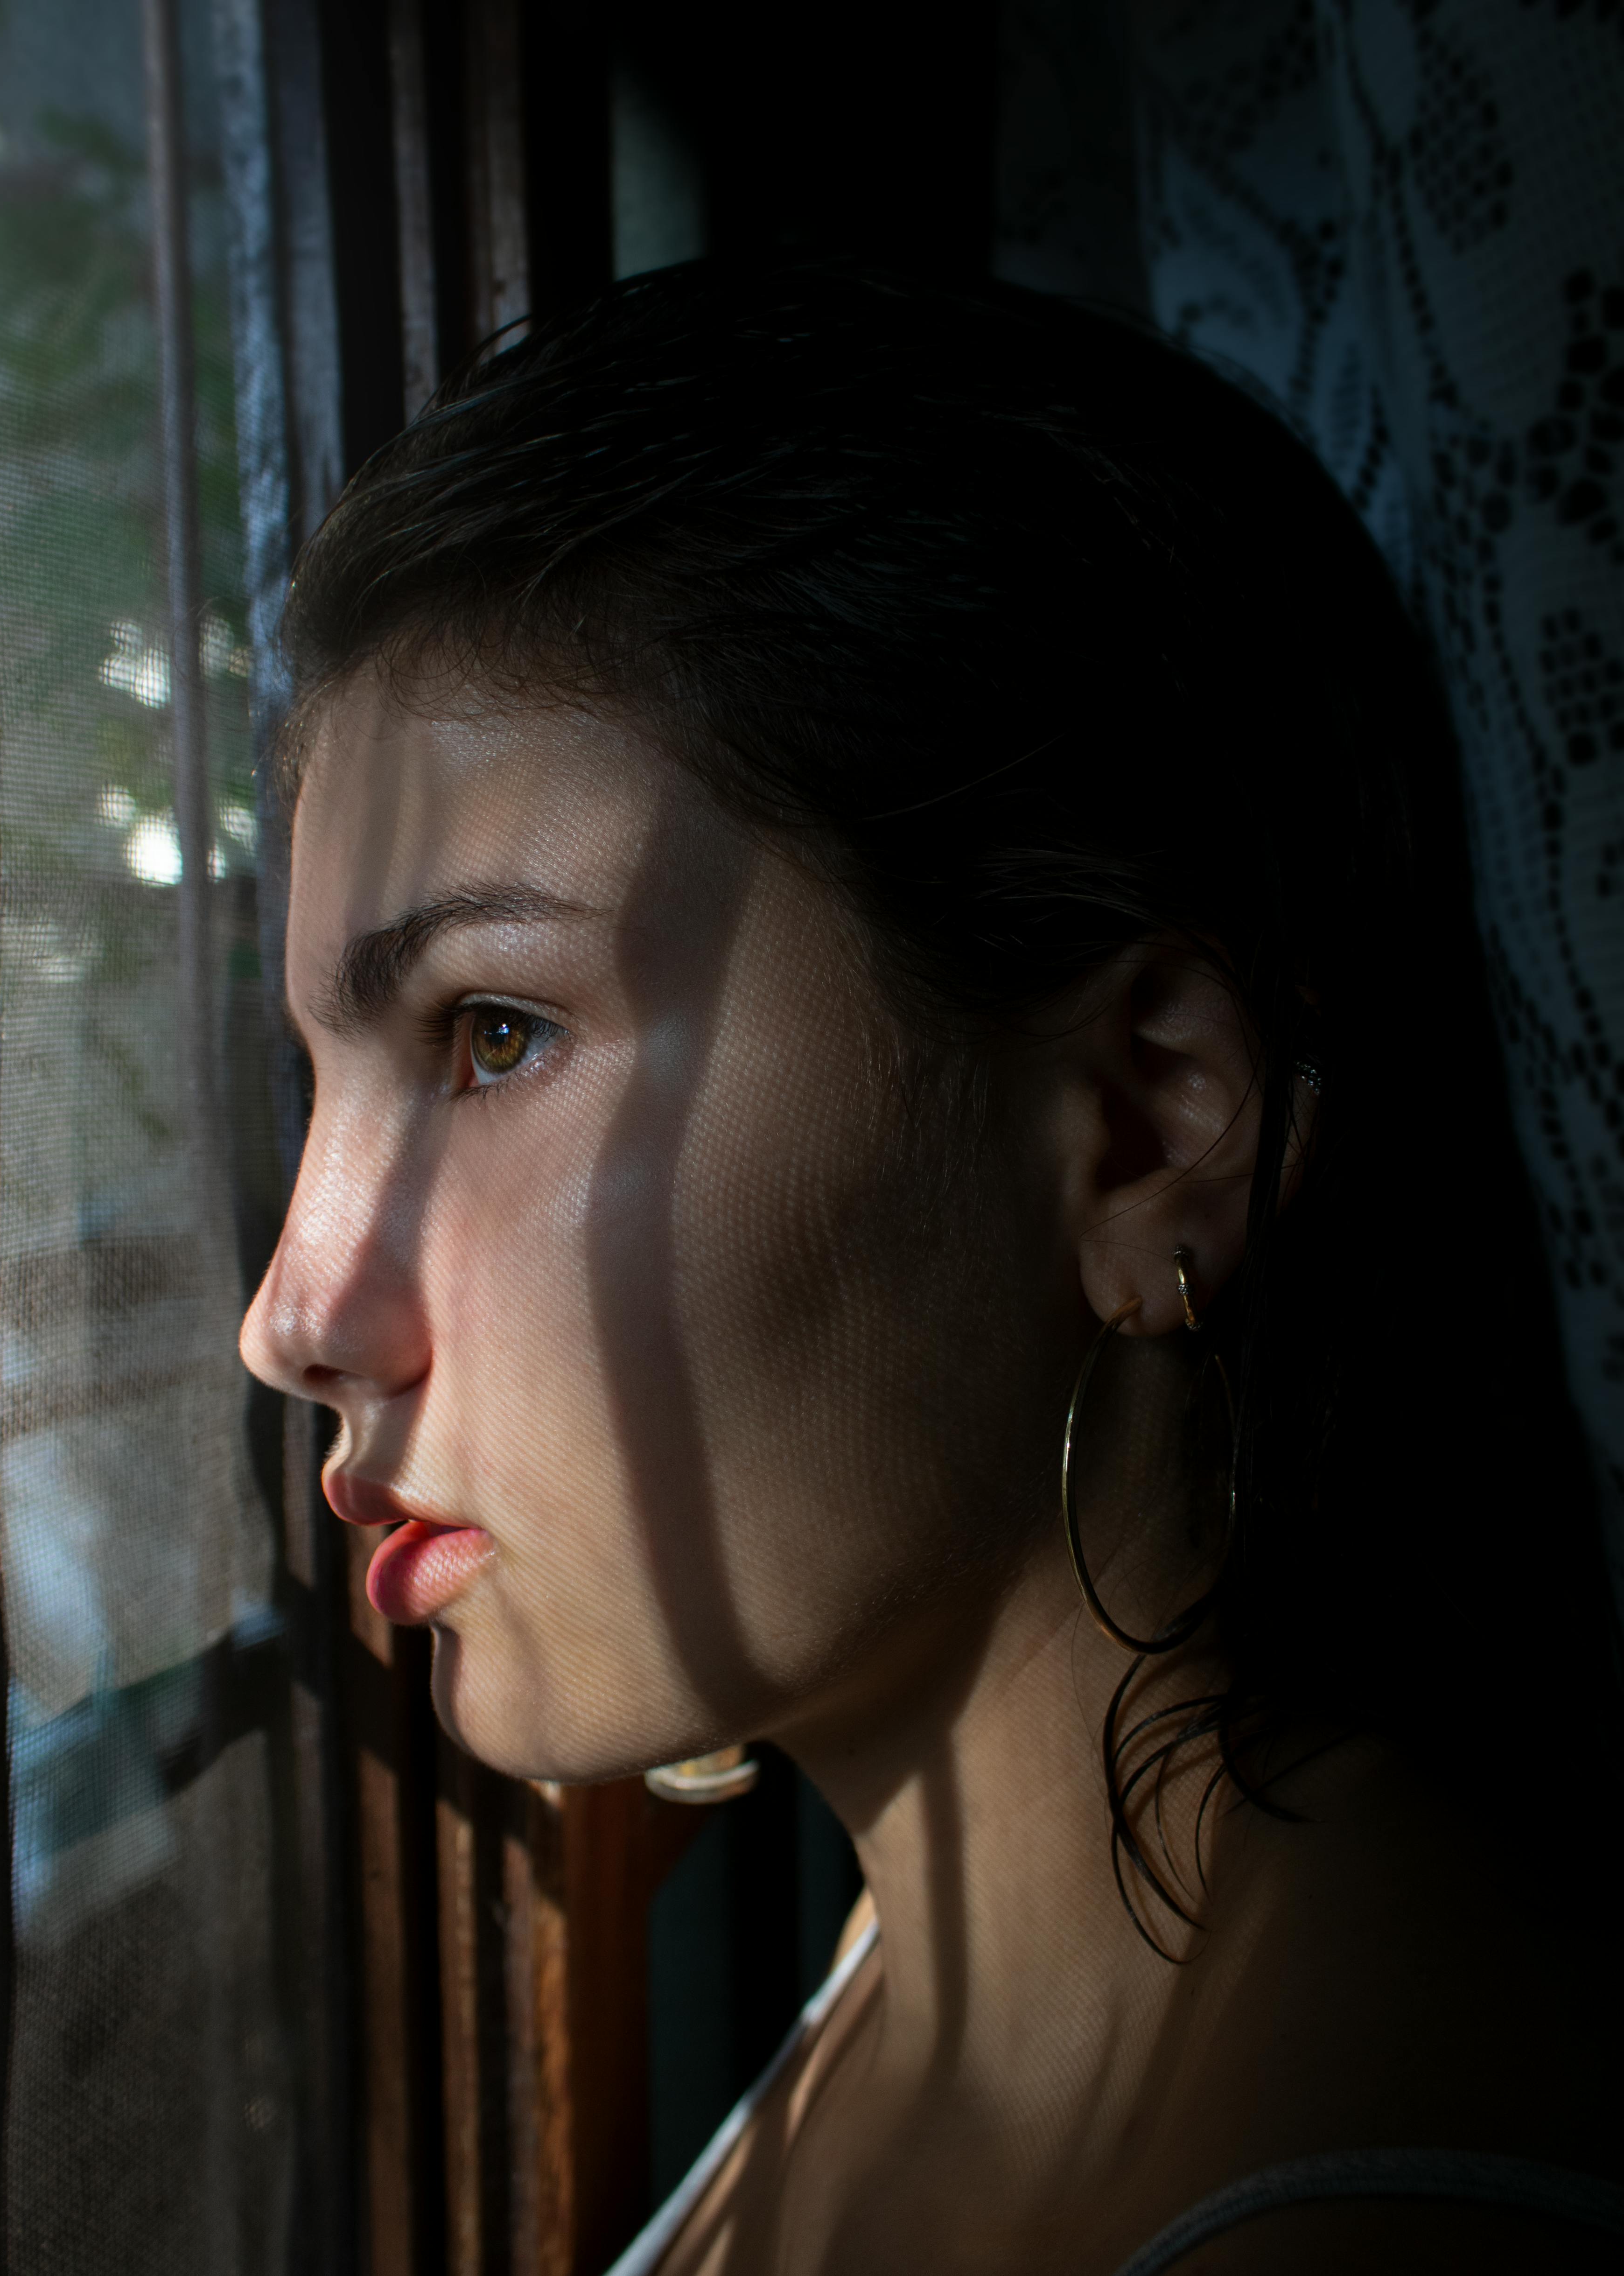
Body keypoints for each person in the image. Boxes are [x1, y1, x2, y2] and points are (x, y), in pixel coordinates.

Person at [239, 265, 1624, 2274]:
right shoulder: (951, 1939)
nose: (291, 1315)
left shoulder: (1370, 2200)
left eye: (495, 1034)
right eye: (317, 1079)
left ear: (1147, 1118)